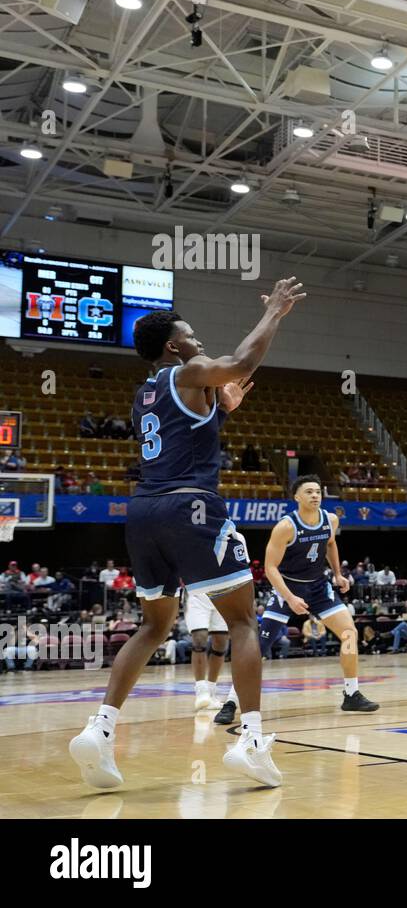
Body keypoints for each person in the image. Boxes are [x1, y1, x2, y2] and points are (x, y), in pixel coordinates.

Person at [68, 281, 304, 791]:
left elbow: (186, 428)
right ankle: (252, 741)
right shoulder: (190, 371)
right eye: (191, 335)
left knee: (153, 627)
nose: (198, 341)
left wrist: (221, 410)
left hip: (143, 511)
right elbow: (241, 360)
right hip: (191, 506)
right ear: (174, 346)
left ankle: (100, 728)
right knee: (242, 622)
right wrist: (276, 314)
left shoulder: (145, 394)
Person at [252, 475, 379, 714]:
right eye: (309, 492)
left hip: (318, 586)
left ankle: (351, 693)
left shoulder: (330, 519)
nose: (315, 495)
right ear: (297, 497)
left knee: (350, 633)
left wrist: (338, 574)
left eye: (318, 492)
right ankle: (232, 700)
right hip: (289, 587)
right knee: (260, 645)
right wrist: (289, 597)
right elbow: (270, 568)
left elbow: (330, 543)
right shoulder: (285, 527)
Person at [184, 580, 231, 713]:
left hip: (221, 592)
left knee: (221, 642)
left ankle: (211, 691)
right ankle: (201, 691)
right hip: (196, 591)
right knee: (199, 639)